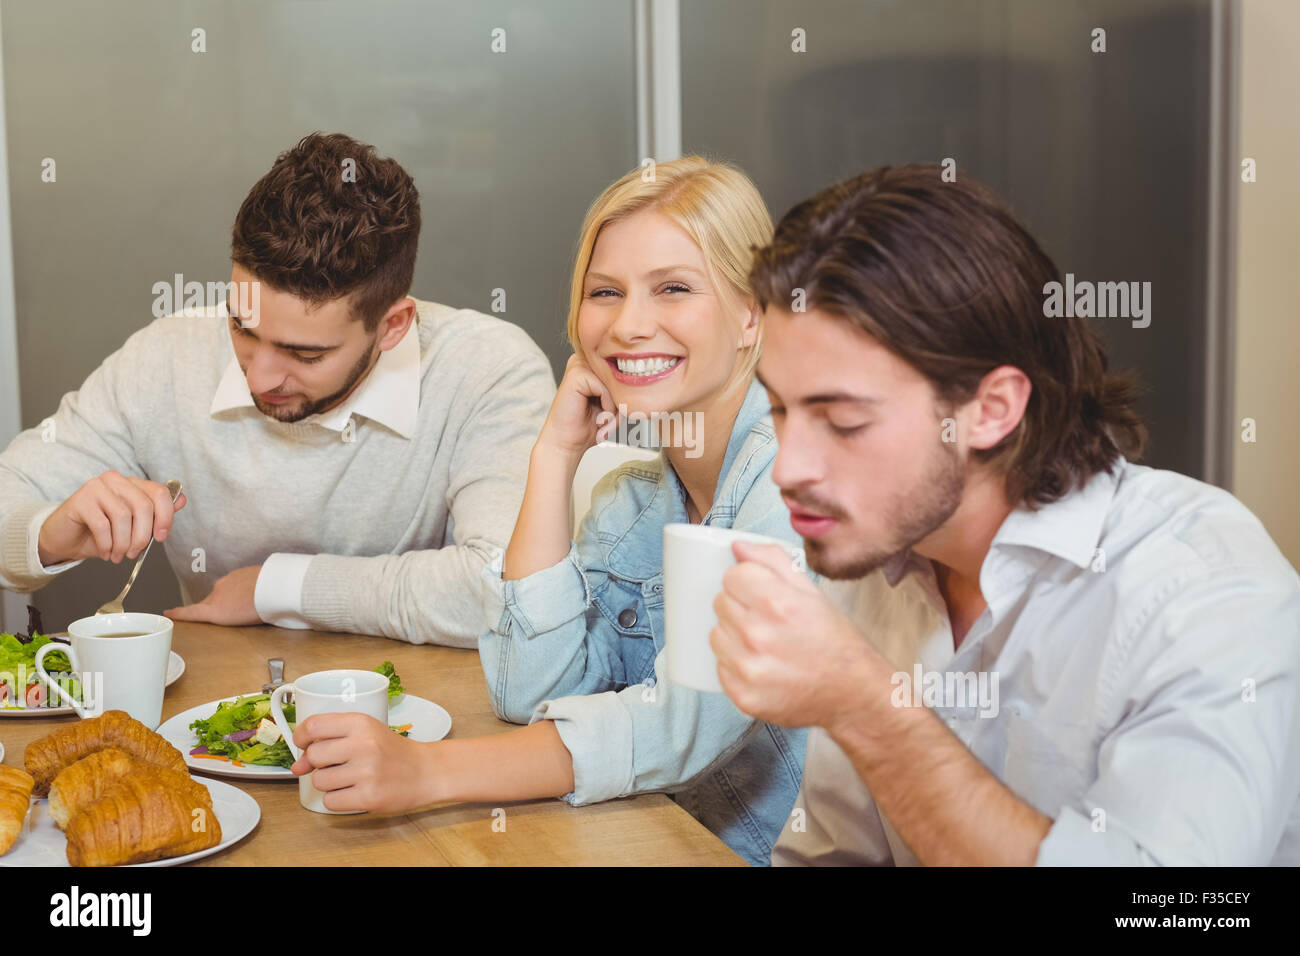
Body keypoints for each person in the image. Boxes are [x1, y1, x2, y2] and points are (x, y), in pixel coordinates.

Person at [706, 163, 1300, 865]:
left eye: (842, 420)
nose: (788, 467)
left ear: (991, 410)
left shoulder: (1202, 591)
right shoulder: (875, 560)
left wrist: (868, 710)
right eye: (780, 408)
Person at [289, 156, 808, 866]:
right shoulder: (634, 498)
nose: (628, 324)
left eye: (674, 289)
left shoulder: (795, 477)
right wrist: (552, 457)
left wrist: (428, 774)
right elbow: (524, 689)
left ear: (753, 314)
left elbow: (682, 724)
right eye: (605, 292)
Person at [0, 132, 554, 646]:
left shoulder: (489, 369)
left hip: (432, 722)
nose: (258, 377)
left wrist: (277, 589)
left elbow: (508, 590)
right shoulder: (165, 358)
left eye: (304, 353)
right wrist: (49, 533)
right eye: (241, 326)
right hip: (220, 722)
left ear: (392, 326)